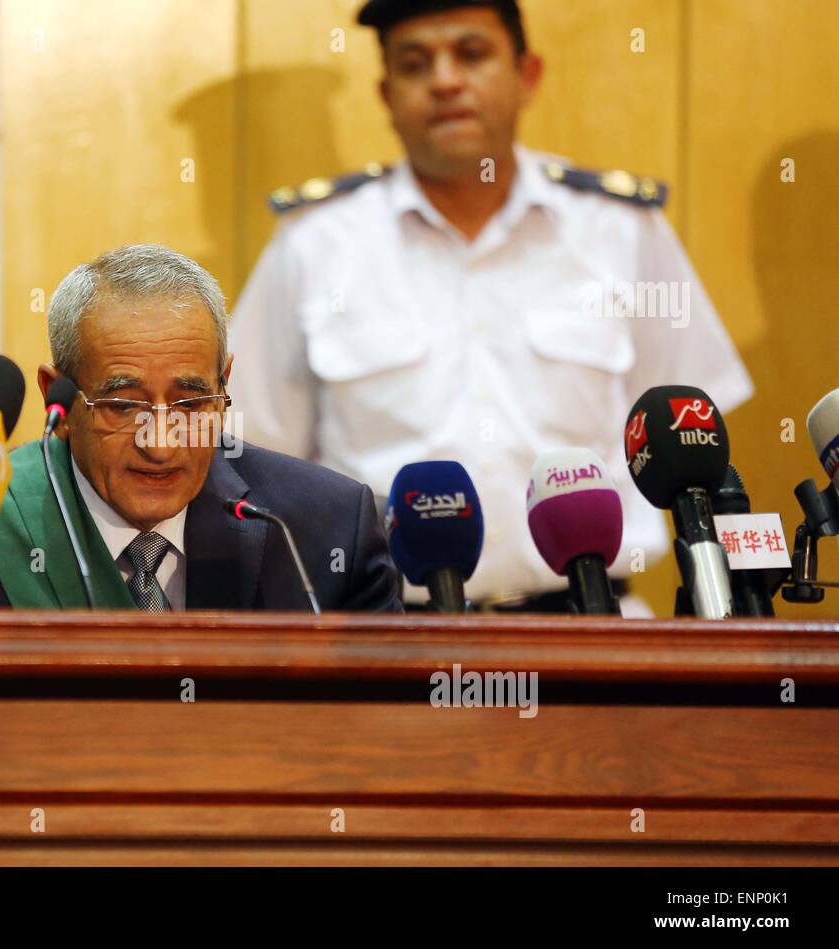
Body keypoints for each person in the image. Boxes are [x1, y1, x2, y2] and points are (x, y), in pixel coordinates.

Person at [227, 0, 752, 611]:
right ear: (386, 93)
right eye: (415, 64)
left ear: (527, 74)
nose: (446, 80)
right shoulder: (315, 244)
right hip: (384, 633)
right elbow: (259, 457)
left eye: (472, 54)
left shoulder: (620, 230)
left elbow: (684, 437)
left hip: (597, 629)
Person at [0, 244, 401, 612]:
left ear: (225, 381)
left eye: (191, 403)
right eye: (123, 405)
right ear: (58, 396)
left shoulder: (324, 530)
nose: (161, 442)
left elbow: (389, 737)